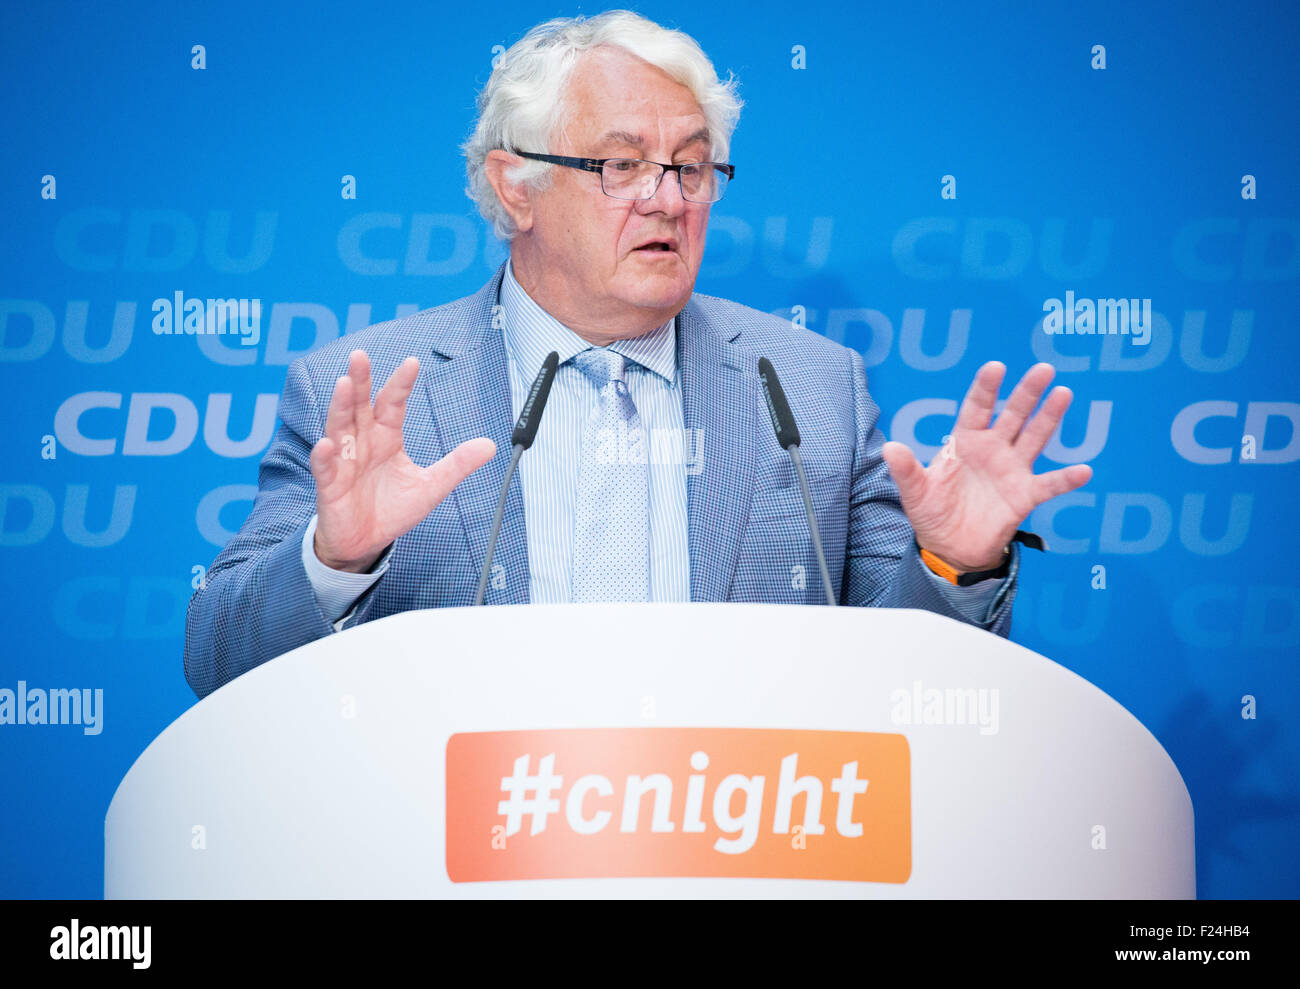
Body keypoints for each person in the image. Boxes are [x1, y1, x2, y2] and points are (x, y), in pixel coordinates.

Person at [183, 10, 1091, 699]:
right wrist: (333, 558)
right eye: (621, 165)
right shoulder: (372, 389)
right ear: (518, 184)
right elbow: (216, 661)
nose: (667, 199)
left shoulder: (811, 388)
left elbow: (907, 692)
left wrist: (954, 567)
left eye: (691, 167)